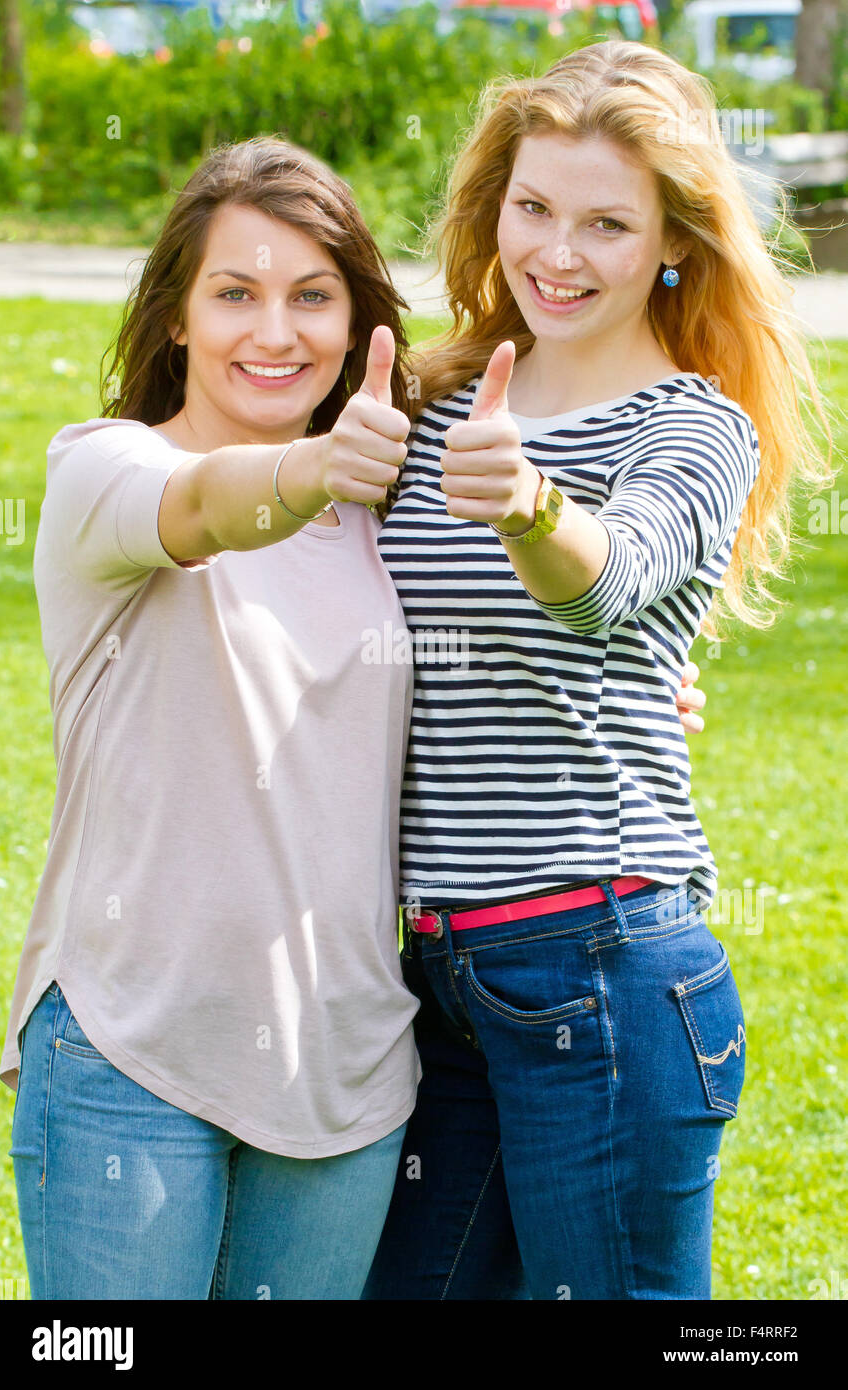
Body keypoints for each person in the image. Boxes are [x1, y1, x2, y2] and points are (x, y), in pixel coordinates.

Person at [0, 133, 708, 1300]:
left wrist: (630, 687)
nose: (274, 332)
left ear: (352, 323)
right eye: (234, 294)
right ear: (174, 318)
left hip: (348, 1081)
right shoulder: (106, 474)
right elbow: (209, 504)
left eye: (311, 296)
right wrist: (309, 469)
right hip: (132, 1050)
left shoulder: (379, 521)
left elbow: (478, 648)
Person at [362, 40, 832, 1299]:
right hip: (431, 974)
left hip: (597, 959)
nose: (556, 253)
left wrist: (527, 504)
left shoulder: (694, 426)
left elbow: (609, 578)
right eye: (532, 208)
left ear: (673, 240)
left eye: (606, 224)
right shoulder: (432, 395)